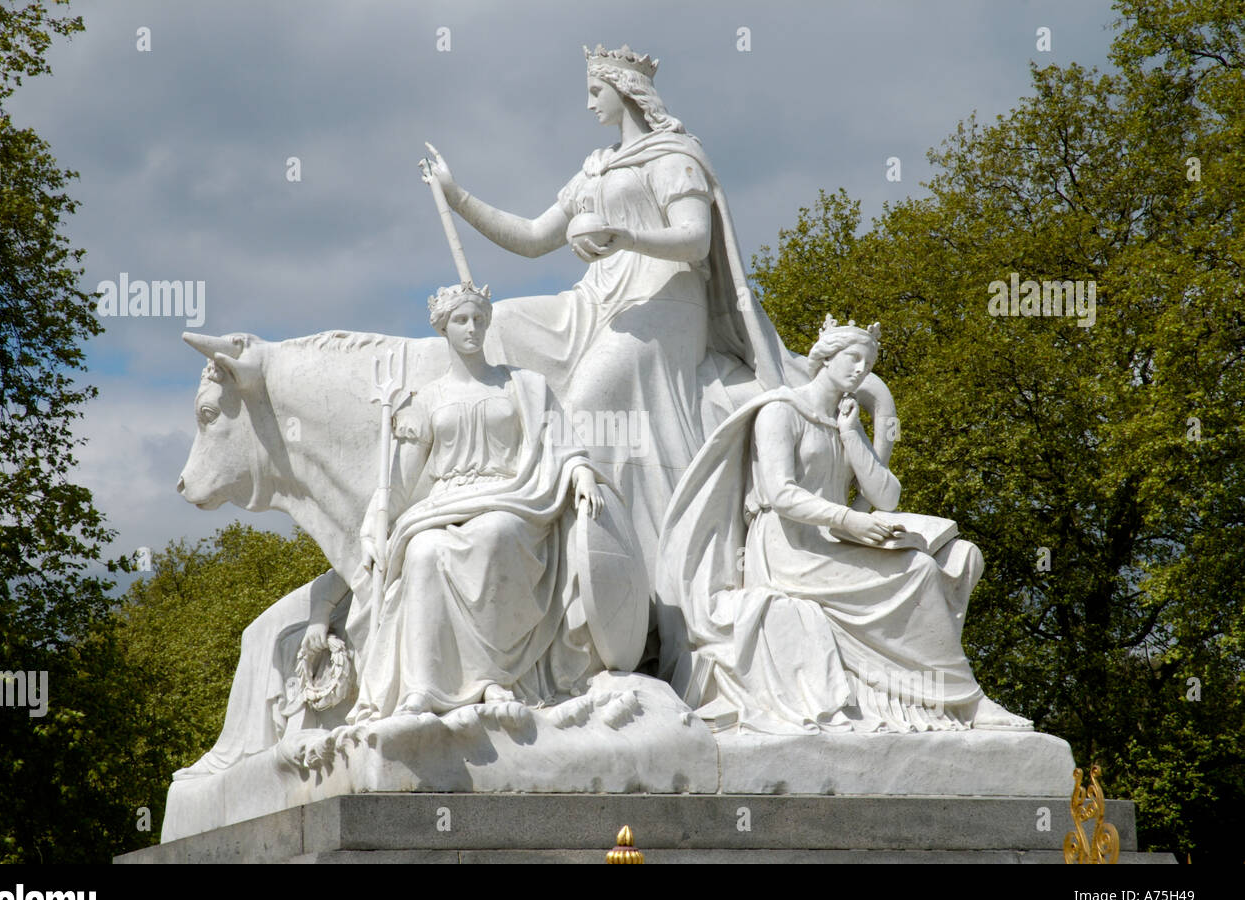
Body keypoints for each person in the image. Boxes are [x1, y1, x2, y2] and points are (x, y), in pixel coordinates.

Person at [419, 44, 808, 589]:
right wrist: (457, 197)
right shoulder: (594, 169)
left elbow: (696, 240)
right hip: (595, 299)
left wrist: (625, 237)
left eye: (594, 92)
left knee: (591, 399)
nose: (587, 104)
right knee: (501, 326)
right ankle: (499, 502)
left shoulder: (674, 158)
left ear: (626, 92)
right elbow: (533, 239)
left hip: (665, 299)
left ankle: (616, 568)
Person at [657, 316, 1033, 733]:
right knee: (920, 571)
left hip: (832, 541)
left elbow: (887, 497)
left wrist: (852, 435)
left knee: (958, 556)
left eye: (868, 365)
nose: (860, 371)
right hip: (788, 550)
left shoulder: (843, 419)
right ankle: (966, 702)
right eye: (853, 359)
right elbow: (780, 493)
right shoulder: (781, 411)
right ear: (827, 357)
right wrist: (848, 519)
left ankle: (940, 697)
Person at [347, 281, 615, 721]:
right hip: (446, 502)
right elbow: (398, 480)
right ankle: (423, 686)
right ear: (443, 328)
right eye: (461, 320)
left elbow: (561, 441)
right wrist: (374, 523)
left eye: (478, 319)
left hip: (510, 496)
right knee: (422, 552)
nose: (472, 328)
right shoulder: (427, 399)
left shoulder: (523, 385)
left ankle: (492, 678)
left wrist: (580, 471)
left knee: (495, 534)